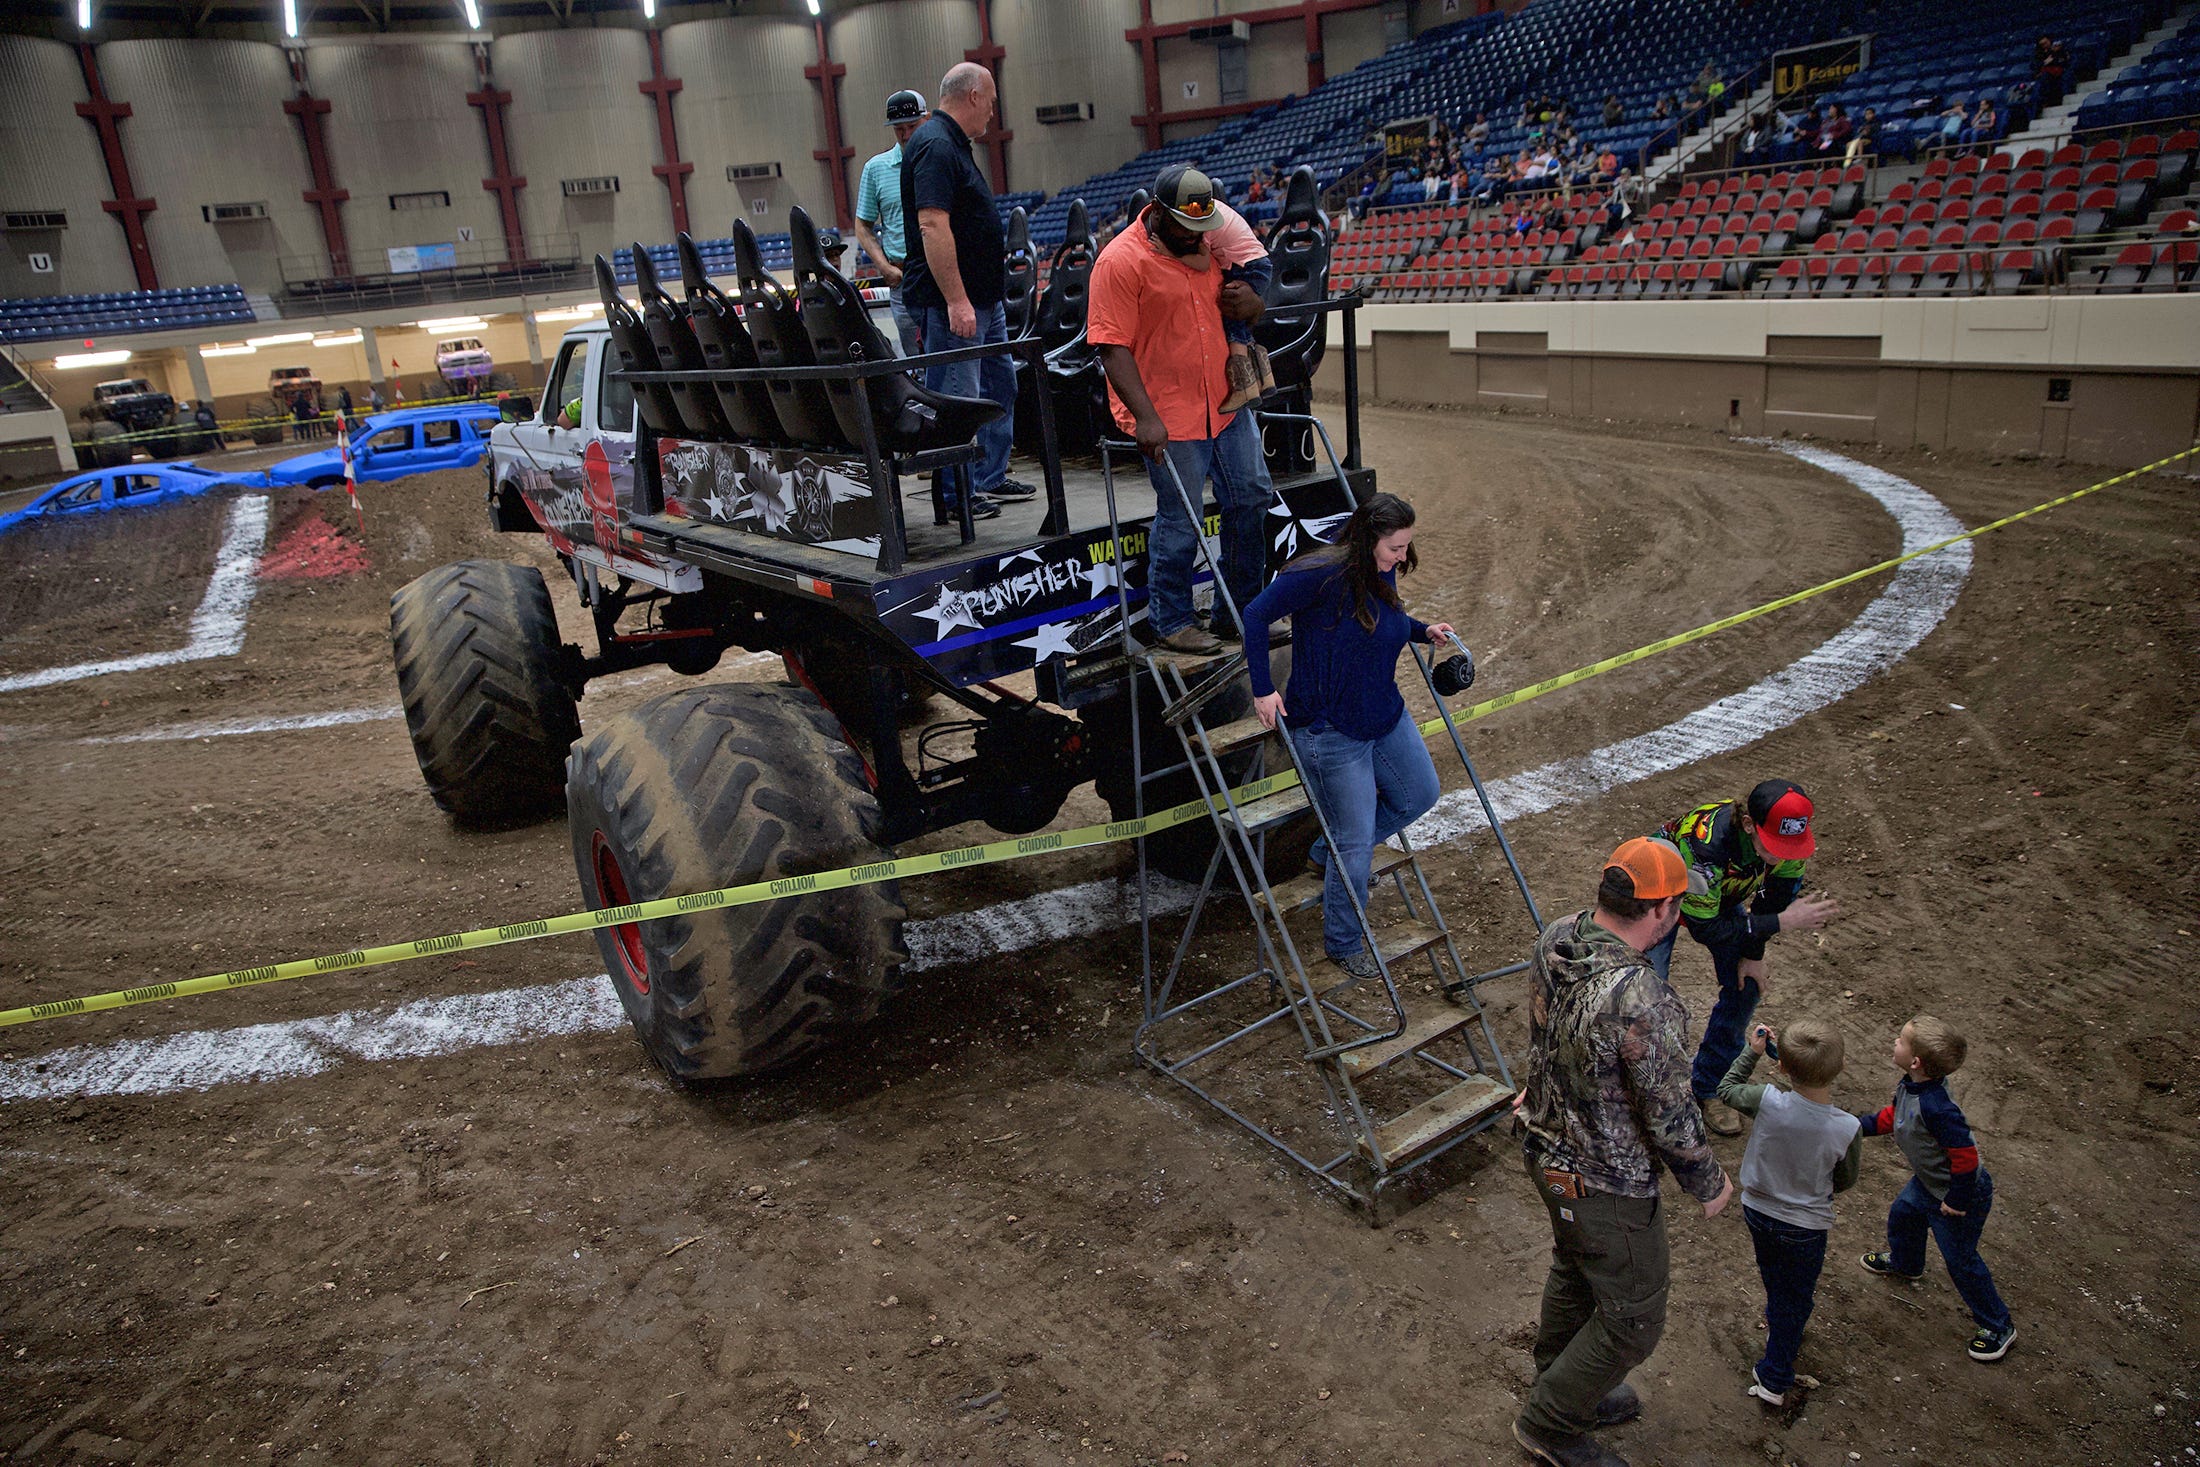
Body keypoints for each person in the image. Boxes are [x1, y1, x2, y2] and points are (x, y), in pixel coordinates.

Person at [1513, 836, 1733, 1467]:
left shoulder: (1559, 935)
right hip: (1605, 1180)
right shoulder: (1642, 999)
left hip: (1545, 1149)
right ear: (1660, 910)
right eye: (1679, 904)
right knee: (1635, 1314)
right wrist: (1707, 1179)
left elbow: (1542, 1025)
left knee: (1578, 1267)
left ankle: (1564, 1379)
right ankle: (1550, 1423)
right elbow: (1667, 1113)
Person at [1241, 494, 1449, 978]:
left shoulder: (1382, 569)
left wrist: (1422, 631)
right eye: (1395, 548)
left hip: (1383, 715)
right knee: (1354, 844)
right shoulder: (1318, 574)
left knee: (1420, 794)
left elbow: (1385, 623)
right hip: (1330, 730)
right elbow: (1254, 615)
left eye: (1405, 547)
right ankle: (1344, 941)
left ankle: (1322, 851)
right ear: (1368, 538)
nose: (1402, 557)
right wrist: (1262, 689)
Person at [1087, 163, 1271, 657]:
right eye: (1187, 229)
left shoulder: (1209, 243)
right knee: (1181, 517)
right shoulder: (1120, 261)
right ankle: (1172, 621)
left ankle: (1241, 612)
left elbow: (1251, 291)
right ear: (1159, 214)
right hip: (1169, 413)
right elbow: (1110, 346)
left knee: (1251, 497)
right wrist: (1147, 418)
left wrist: (1252, 302)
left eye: (1203, 227)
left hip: (1225, 404)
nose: (1198, 238)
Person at [1645, 779, 1842, 1135]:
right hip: (1657, 896)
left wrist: (1754, 953)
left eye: (1790, 847)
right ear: (1749, 823)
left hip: (1717, 897)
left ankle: (1709, 1086)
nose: (1782, 856)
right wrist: (1781, 923)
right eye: (1773, 846)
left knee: (1747, 982)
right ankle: (1640, 1091)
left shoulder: (1785, 849)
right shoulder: (1704, 846)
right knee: (1644, 997)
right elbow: (1706, 928)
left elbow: (1772, 900)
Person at [901, 61, 1032, 520]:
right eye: (991, 102)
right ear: (973, 95)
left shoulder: (953, 144)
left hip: (983, 300)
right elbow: (932, 225)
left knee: (1000, 386)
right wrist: (957, 299)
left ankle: (988, 476)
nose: (992, 113)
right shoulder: (936, 145)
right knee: (957, 402)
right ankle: (956, 499)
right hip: (958, 303)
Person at [1713, 1017, 1863, 1407]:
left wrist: (1754, 1051)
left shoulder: (1768, 1100)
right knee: (1794, 1298)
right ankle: (1775, 1376)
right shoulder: (1846, 1128)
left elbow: (1726, 1089)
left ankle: (1784, 1321)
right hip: (1805, 1227)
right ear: (1841, 1068)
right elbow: (1844, 1180)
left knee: (1777, 1280)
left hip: (1758, 1212)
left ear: (1781, 1068)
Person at [1856, 1016, 2017, 1363]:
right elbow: (1895, 1118)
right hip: (1930, 1184)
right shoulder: (1911, 1087)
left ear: (1915, 1062)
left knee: (1961, 1260)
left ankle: (1998, 1324)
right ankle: (1906, 1263)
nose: (1893, 1042)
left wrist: (1957, 1200)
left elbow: (1966, 1157)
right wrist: (1858, 1127)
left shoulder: (1938, 1108)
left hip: (1959, 1195)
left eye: (1900, 1040)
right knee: (1903, 1216)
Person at [854, 88, 927, 357]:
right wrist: (884, 267)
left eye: (912, 126)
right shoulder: (876, 169)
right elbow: (862, 226)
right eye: (899, 129)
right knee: (914, 354)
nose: (906, 135)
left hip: (940, 272)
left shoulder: (940, 160)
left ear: (926, 120)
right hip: (903, 276)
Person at [1201, 200, 1274, 413]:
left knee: (1232, 316)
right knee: (1241, 326)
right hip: (1255, 261)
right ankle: (1264, 378)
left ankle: (1244, 388)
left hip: (1247, 266)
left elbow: (1202, 262)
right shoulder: (1215, 206)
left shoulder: (1203, 218)